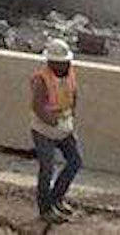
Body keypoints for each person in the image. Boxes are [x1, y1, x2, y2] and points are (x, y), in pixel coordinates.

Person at [31, 38, 83, 223]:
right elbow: (37, 106)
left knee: (75, 161)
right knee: (47, 169)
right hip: (44, 130)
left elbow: (74, 94)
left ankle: (57, 198)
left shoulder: (70, 74)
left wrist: (70, 118)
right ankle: (45, 209)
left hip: (64, 128)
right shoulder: (41, 79)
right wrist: (51, 120)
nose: (63, 65)